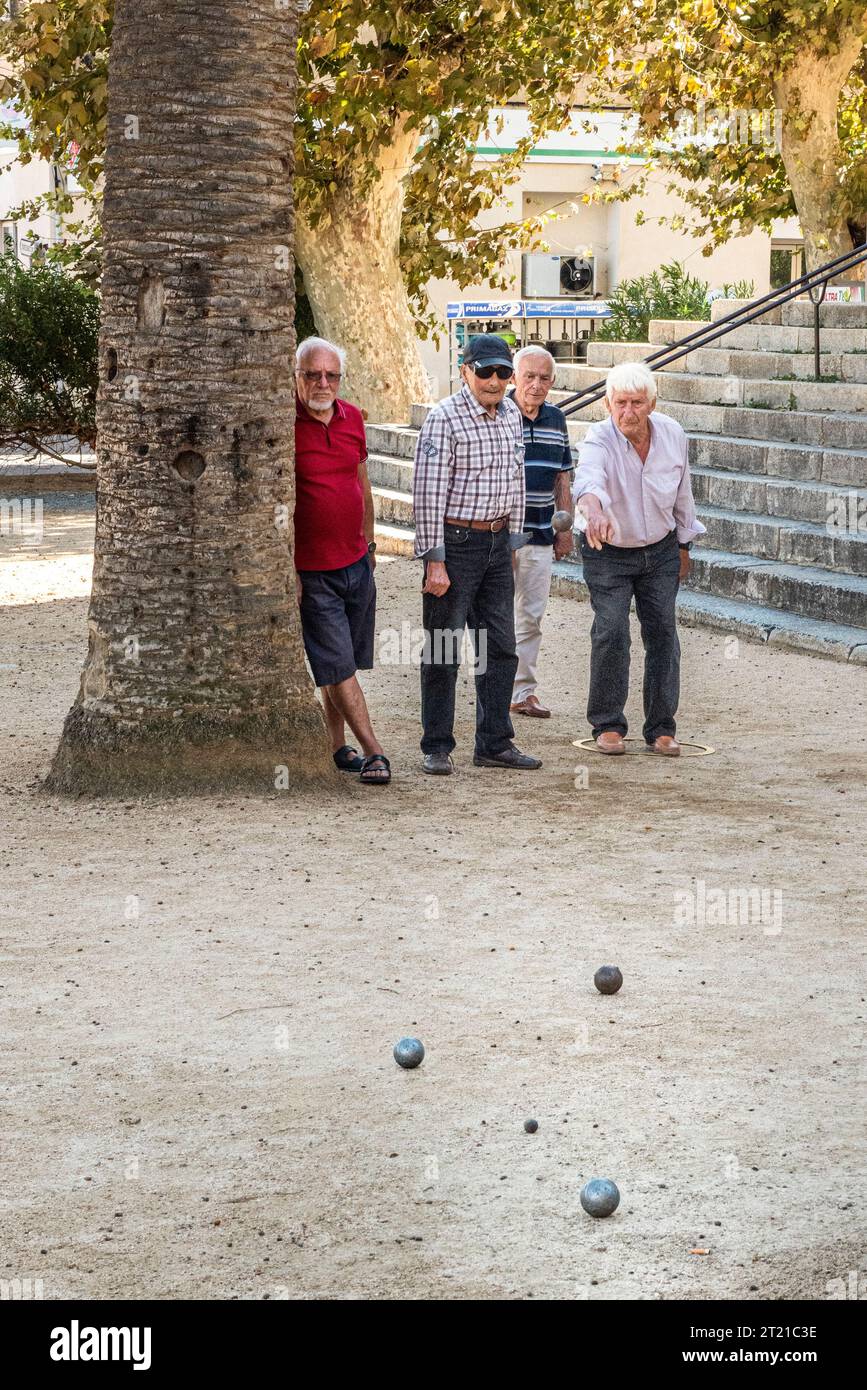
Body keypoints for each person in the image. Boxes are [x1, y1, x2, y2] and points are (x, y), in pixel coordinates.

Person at [412, 333, 542, 775]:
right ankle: (437, 746)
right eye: (485, 371)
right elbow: (427, 493)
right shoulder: (444, 418)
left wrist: (515, 542)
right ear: (465, 370)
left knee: (501, 648)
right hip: (456, 543)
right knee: (443, 649)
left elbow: (516, 481)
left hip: (496, 542)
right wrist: (435, 559)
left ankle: (494, 743)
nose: (494, 380)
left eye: (503, 372)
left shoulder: (510, 414)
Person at [573, 361, 706, 757]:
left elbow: (683, 494)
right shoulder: (598, 438)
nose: (628, 412)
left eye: (636, 403)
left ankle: (662, 728)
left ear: (652, 403)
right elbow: (588, 480)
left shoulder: (673, 433)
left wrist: (685, 546)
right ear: (607, 404)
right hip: (607, 550)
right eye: (620, 403)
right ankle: (608, 724)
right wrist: (593, 510)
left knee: (663, 632)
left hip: (661, 548)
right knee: (612, 630)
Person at [294, 336, 390, 785]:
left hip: (356, 562)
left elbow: (362, 483)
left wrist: (369, 546)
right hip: (312, 570)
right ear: (297, 376)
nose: (323, 382)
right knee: (336, 664)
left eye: (331, 375)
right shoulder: (285, 425)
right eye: (313, 374)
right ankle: (374, 751)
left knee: (341, 664)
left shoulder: (353, 418)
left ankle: (337, 747)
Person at [507, 346, 574, 718]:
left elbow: (562, 476)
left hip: (539, 533)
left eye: (544, 378)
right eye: (528, 376)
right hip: (501, 534)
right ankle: (495, 686)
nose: (536, 385)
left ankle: (522, 691)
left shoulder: (556, 419)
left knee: (531, 615)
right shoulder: (498, 414)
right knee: (496, 614)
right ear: (514, 378)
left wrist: (566, 526)